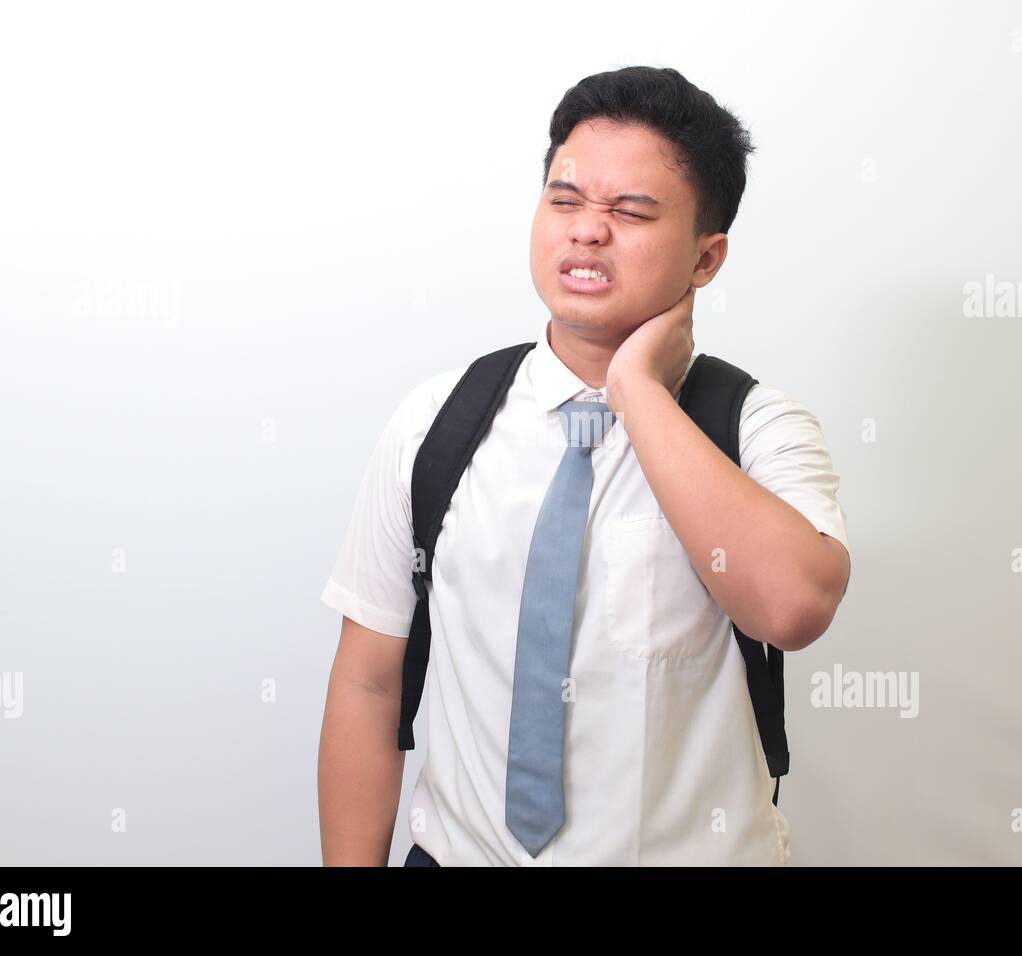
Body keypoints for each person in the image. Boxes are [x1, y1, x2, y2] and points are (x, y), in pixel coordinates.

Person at [317, 65, 851, 867]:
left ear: (707, 259)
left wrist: (637, 391)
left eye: (631, 212)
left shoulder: (755, 427)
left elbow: (793, 609)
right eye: (564, 200)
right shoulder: (438, 423)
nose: (587, 231)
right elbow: (369, 687)